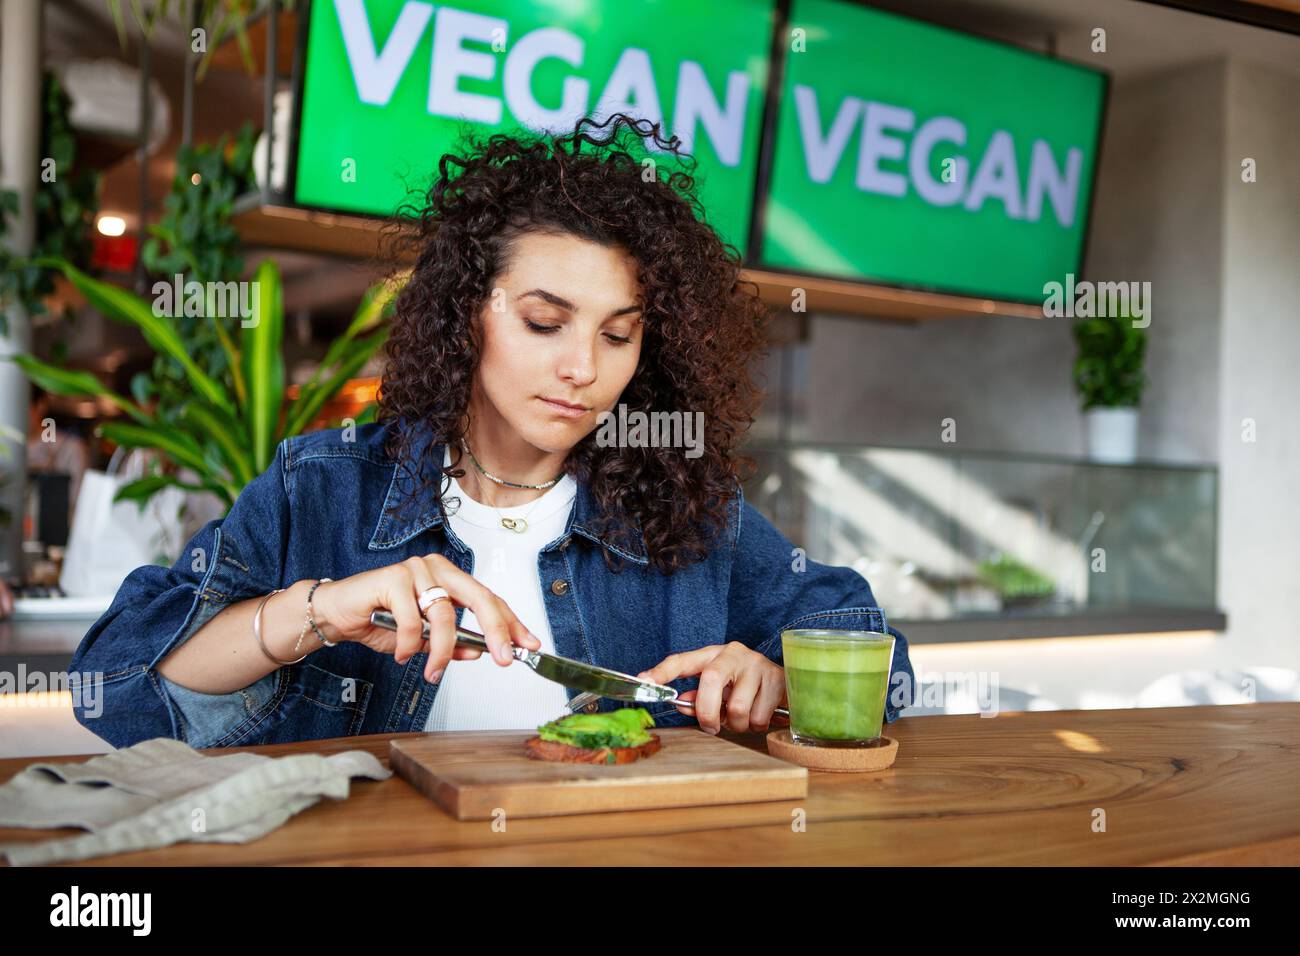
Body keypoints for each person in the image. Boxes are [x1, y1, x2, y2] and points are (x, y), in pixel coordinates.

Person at [68, 113, 914, 749]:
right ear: (465, 315)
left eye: (618, 334)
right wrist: (318, 612)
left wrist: (780, 678)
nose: (585, 367)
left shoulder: (685, 510)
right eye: (546, 322)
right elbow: (114, 685)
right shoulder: (323, 487)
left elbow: (881, 661)